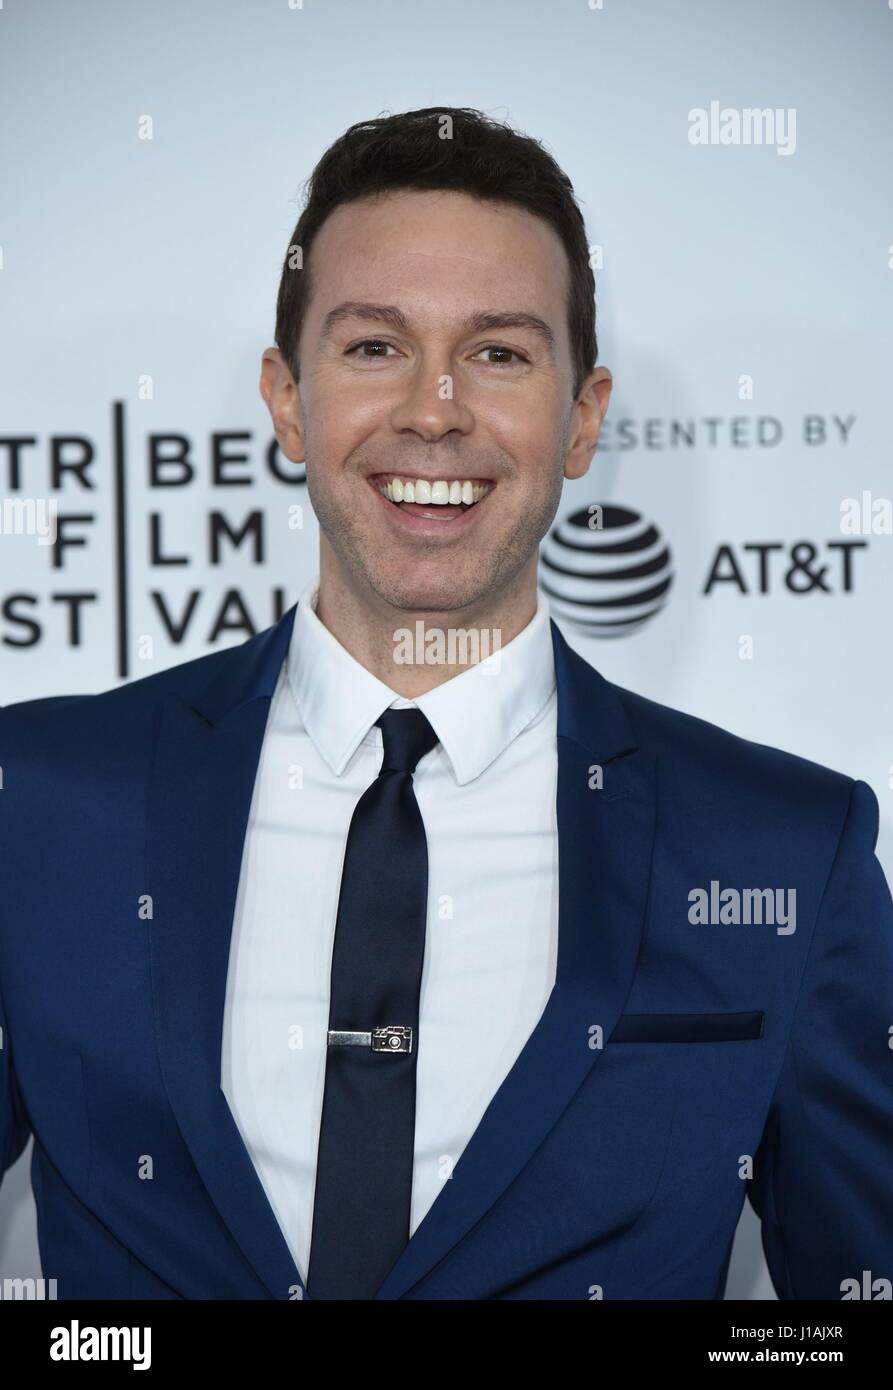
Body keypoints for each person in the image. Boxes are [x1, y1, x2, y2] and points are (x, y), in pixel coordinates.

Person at [1, 107, 891, 1301]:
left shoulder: (780, 844)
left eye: (500, 353)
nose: (434, 408)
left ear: (582, 418)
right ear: (284, 399)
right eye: (373, 346)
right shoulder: (44, 799)